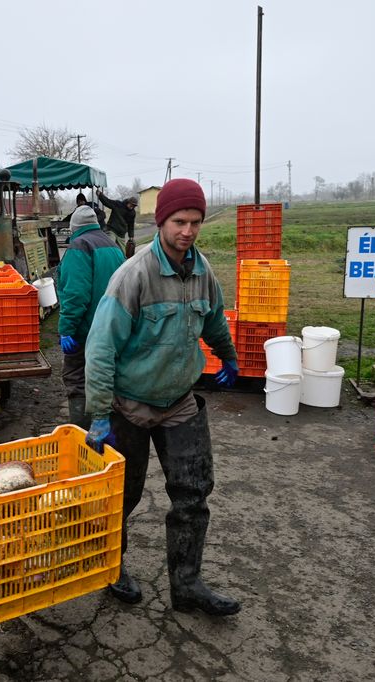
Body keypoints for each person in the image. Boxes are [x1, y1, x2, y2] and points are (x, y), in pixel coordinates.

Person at [83, 178, 241, 617]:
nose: (187, 231)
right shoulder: (132, 276)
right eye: (178, 221)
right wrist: (98, 414)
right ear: (161, 222)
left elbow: (213, 320)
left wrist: (228, 357)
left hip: (179, 402)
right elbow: (100, 349)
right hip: (127, 406)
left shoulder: (203, 270)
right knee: (121, 497)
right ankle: (111, 568)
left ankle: (187, 584)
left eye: (195, 222)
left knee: (193, 495)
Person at [57, 205, 125, 429]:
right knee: (108, 378)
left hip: (86, 333)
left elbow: (76, 294)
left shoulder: (79, 246)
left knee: (78, 380)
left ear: (74, 228)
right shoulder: (113, 246)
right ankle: (111, 428)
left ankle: (82, 432)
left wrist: (67, 329)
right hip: (114, 330)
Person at [96, 189, 139, 256]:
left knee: (123, 253)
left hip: (121, 234)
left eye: (134, 206)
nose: (132, 207)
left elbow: (131, 225)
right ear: (128, 202)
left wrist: (131, 236)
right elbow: (107, 202)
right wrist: (100, 195)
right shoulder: (118, 204)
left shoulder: (132, 213)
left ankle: (122, 264)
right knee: (110, 245)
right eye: (131, 205)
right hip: (111, 230)